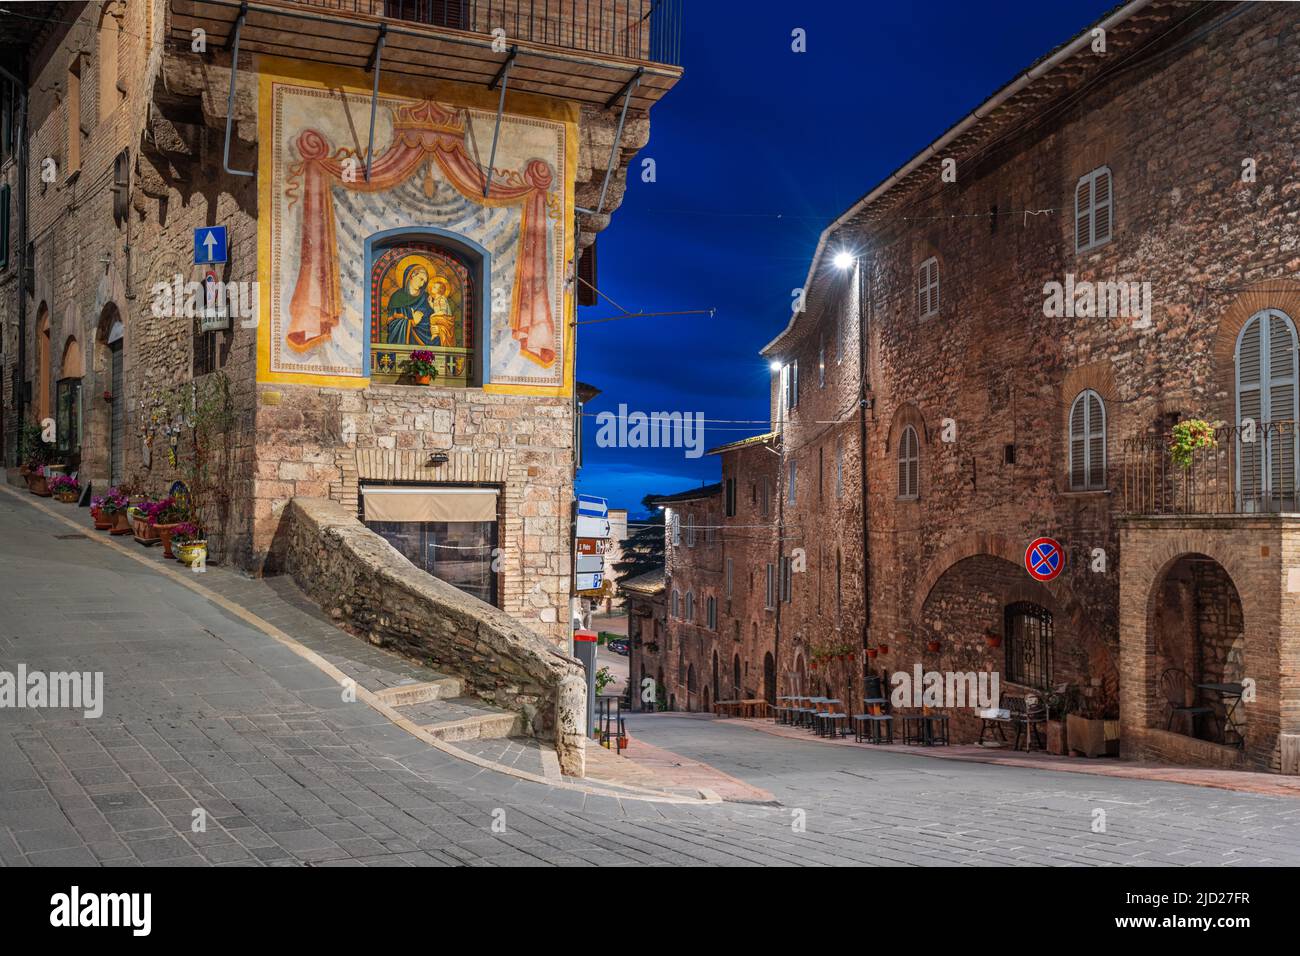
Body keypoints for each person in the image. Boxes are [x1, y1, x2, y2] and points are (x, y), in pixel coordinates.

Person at [384, 264, 433, 345]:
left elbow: (433, 319)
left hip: (426, 340)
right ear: (412, 276)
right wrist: (412, 322)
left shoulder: (427, 298)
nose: (422, 284)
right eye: (421, 279)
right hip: (403, 341)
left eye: (424, 282)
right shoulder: (397, 297)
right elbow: (391, 323)